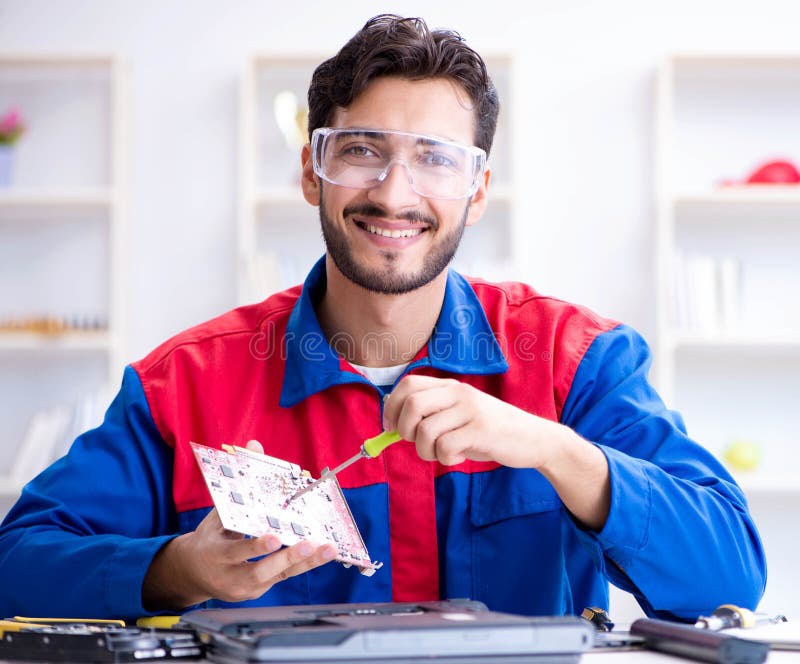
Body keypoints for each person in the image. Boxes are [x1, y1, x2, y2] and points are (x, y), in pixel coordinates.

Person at [0, 14, 765, 622]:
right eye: (363, 150)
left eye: (436, 158)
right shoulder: (185, 385)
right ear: (312, 171)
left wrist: (555, 449)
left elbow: (731, 574)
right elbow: (18, 563)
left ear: (477, 190)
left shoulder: (576, 362)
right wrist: (174, 571)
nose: (395, 193)